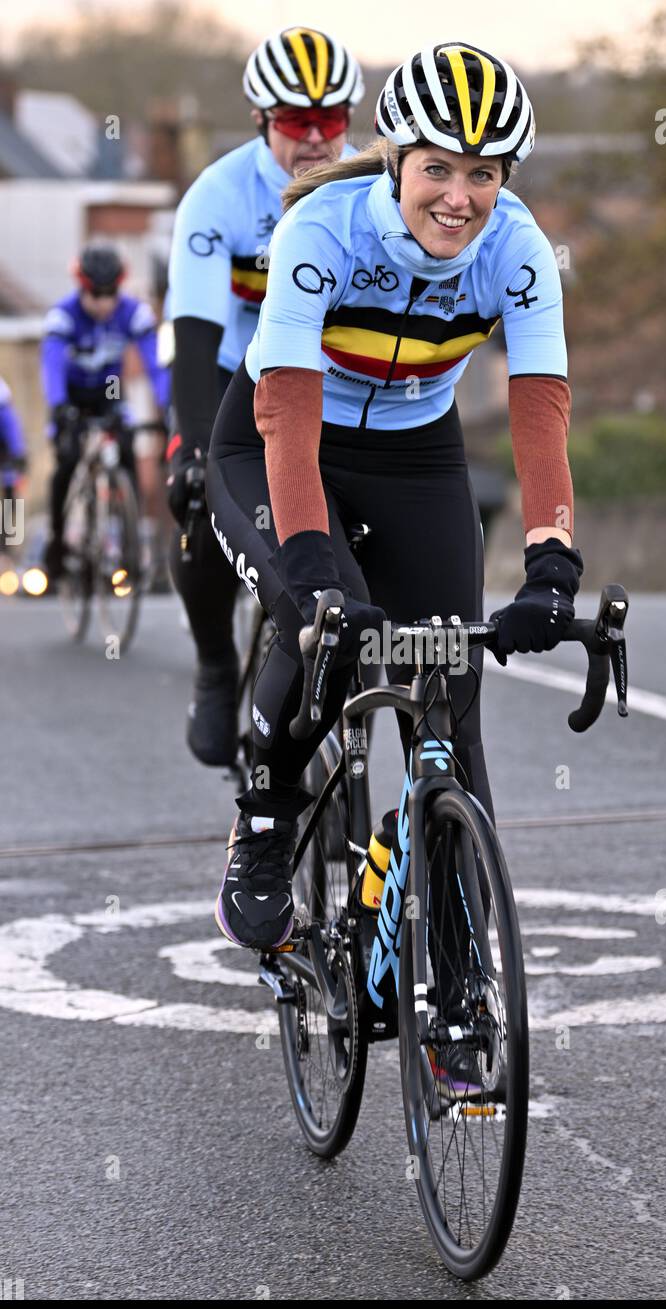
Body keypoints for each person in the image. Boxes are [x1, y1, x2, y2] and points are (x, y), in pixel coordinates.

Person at [206, 41, 583, 961]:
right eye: (438, 169)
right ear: (395, 157)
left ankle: (459, 992)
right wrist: (307, 563)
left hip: (418, 454)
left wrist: (553, 563)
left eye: (483, 174)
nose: (459, 196)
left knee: (453, 695)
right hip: (277, 444)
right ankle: (265, 817)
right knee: (317, 620)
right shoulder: (323, 228)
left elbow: (540, 413)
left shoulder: (518, 248)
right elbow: (285, 406)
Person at [166, 26, 364, 768]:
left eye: (330, 121)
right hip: (229, 372)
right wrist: (189, 445)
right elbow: (190, 330)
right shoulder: (216, 197)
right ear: (260, 122)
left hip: (326, 376)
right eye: (294, 122)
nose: (314, 138)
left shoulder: (372, 191)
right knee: (200, 507)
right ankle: (218, 666)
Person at [41, 244, 170, 581]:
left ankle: (130, 536)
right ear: (81, 287)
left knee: (127, 450)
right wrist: (58, 407)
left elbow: (154, 363)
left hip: (109, 390)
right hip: (70, 396)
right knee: (67, 461)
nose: (102, 302)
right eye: (94, 293)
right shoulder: (63, 315)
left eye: (110, 293)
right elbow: (52, 365)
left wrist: (166, 405)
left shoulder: (133, 313)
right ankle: (57, 541)